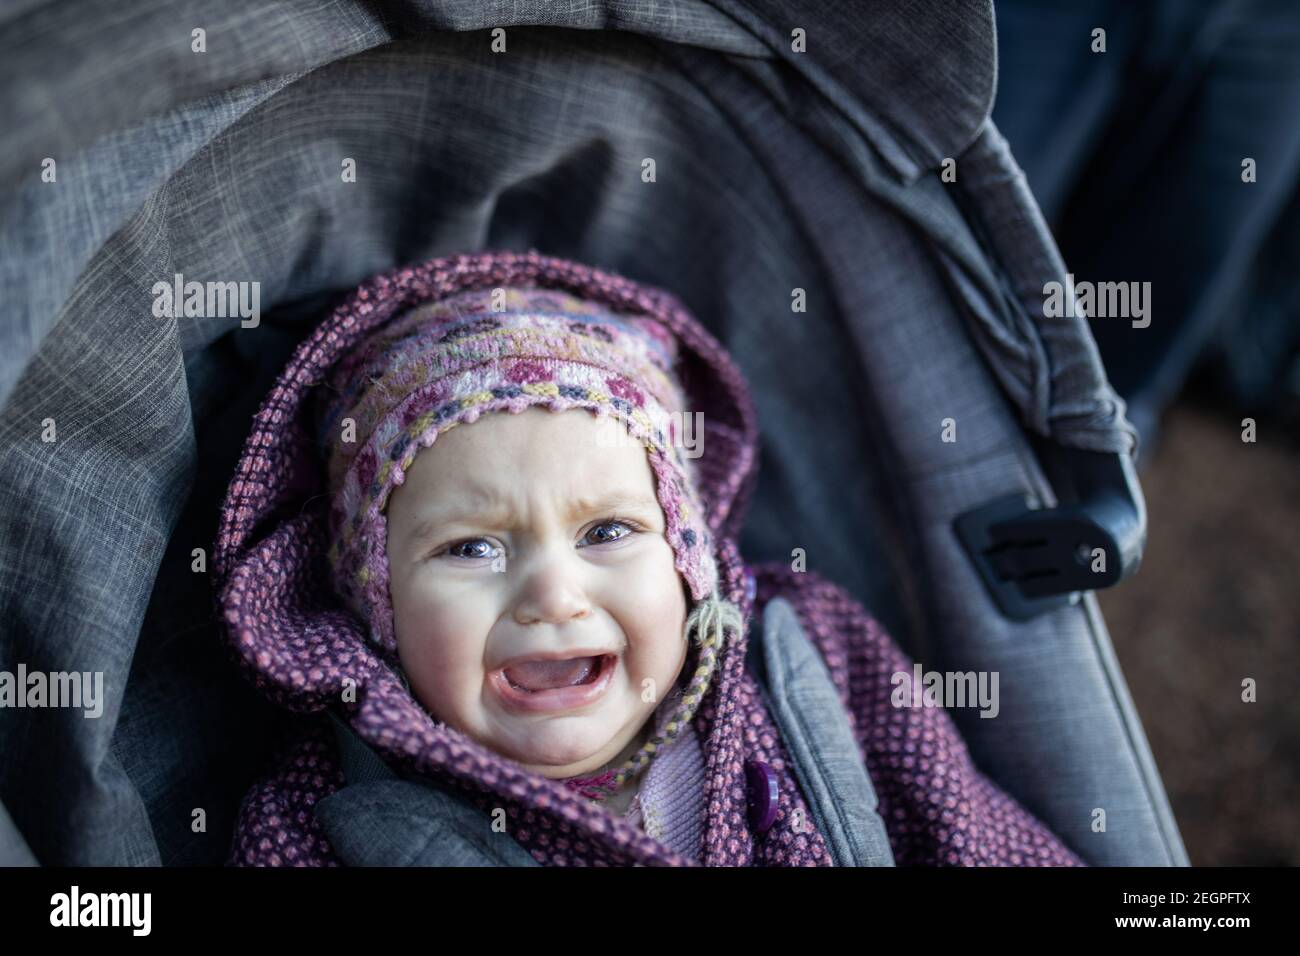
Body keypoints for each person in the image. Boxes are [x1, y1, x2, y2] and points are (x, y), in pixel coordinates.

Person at [214, 249, 1085, 866]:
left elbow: (969, 833)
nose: (554, 594)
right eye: (471, 547)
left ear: (690, 555)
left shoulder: (807, 653)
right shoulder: (315, 821)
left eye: (607, 532)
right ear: (377, 603)